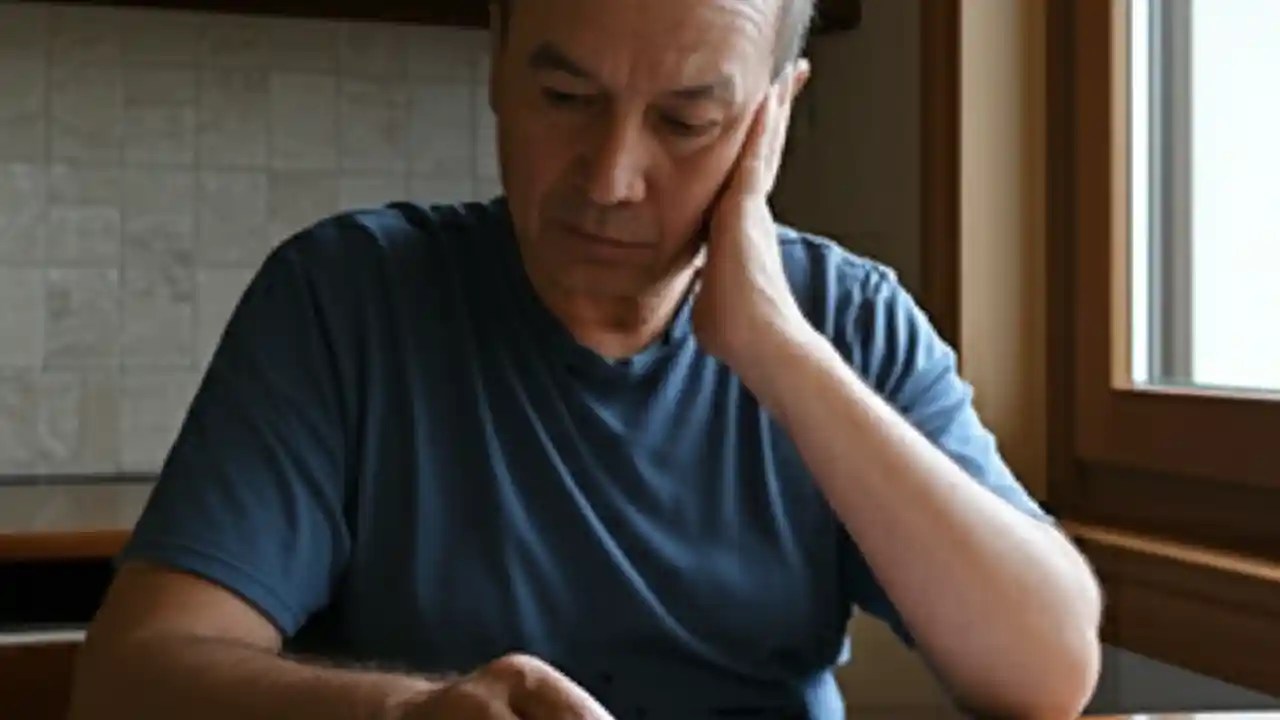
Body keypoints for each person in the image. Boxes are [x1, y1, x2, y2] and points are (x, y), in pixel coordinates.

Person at [70, 0, 1103, 718]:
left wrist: (777, 350)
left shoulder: (846, 319)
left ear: (773, 112)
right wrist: (409, 713)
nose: (610, 179)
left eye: (686, 122)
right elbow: (129, 682)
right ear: (497, 59)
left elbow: (1047, 671)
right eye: (564, 100)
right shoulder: (345, 299)